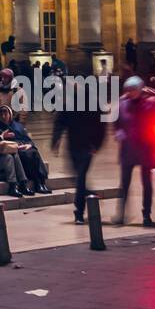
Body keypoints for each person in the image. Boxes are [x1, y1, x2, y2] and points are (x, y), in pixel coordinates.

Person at [53, 89, 107, 223]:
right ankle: (90, 194)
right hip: (73, 147)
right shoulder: (70, 104)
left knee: (80, 178)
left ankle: (79, 212)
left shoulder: (94, 105)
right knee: (76, 177)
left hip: (87, 148)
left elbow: (102, 126)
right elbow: (60, 121)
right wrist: (56, 139)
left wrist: (96, 145)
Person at [113, 76, 155, 226]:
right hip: (128, 149)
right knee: (124, 183)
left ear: (140, 90)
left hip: (144, 149)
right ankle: (121, 213)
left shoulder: (148, 104)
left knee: (146, 183)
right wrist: (118, 131)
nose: (130, 92)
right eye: (128, 90)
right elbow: (116, 120)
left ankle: (146, 214)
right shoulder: (122, 103)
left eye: (133, 89)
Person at [0, 106, 51, 193]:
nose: (4, 116)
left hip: (25, 147)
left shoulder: (18, 126)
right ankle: (37, 182)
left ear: (10, 114)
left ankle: (41, 182)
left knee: (34, 152)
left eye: (5, 113)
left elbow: (28, 140)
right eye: (1, 114)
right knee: (27, 155)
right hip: (14, 150)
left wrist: (28, 145)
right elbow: (0, 143)